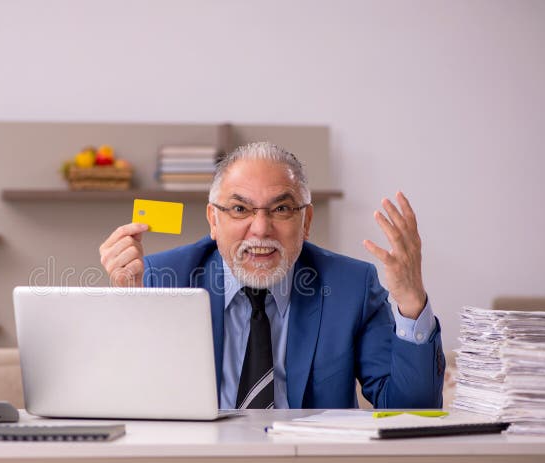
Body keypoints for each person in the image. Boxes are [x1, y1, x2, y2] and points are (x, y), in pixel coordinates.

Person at [99, 142, 445, 409]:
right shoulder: (162, 279)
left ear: (306, 221)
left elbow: (411, 413)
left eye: (281, 209)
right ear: (213, 221)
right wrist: (131, 304)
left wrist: (412, 303)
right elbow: (125, 401)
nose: (261, 229)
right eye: (239, 209)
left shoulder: (351, 287)